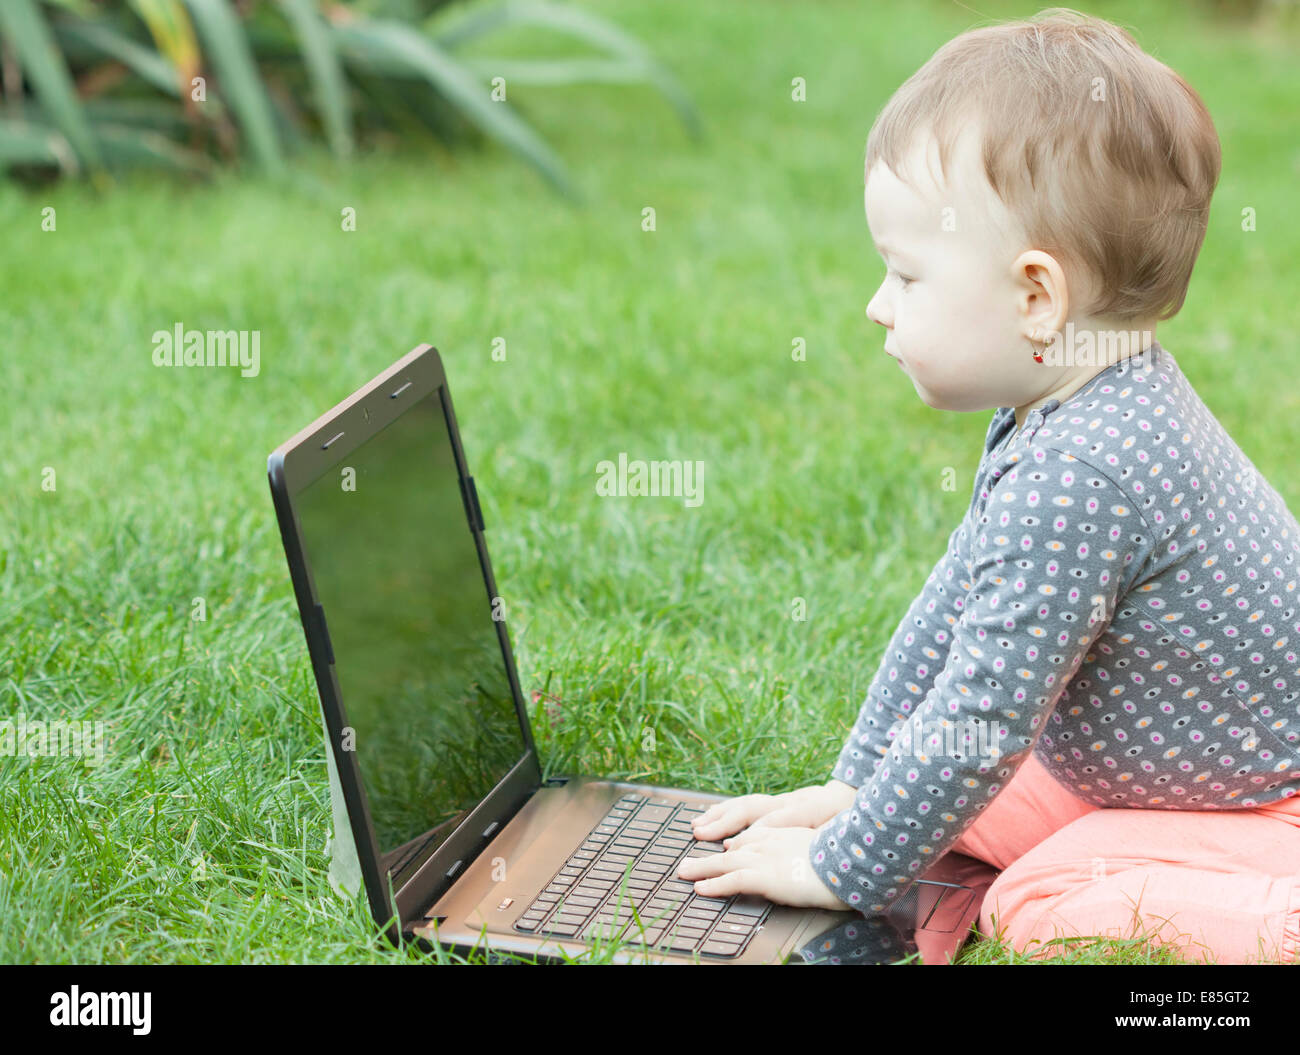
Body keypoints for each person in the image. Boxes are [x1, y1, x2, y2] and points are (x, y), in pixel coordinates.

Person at [677, 8, 1300, 964]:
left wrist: (844, 870)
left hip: (1267, 800)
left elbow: (980, 720)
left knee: (1038, 899)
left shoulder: (1083, 472)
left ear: (1037, 297)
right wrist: (858, 788)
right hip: (1191, 772)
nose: (876, 307)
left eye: (906, 275)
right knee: (951, 807)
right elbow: (953, 616)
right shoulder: (1067, 397)